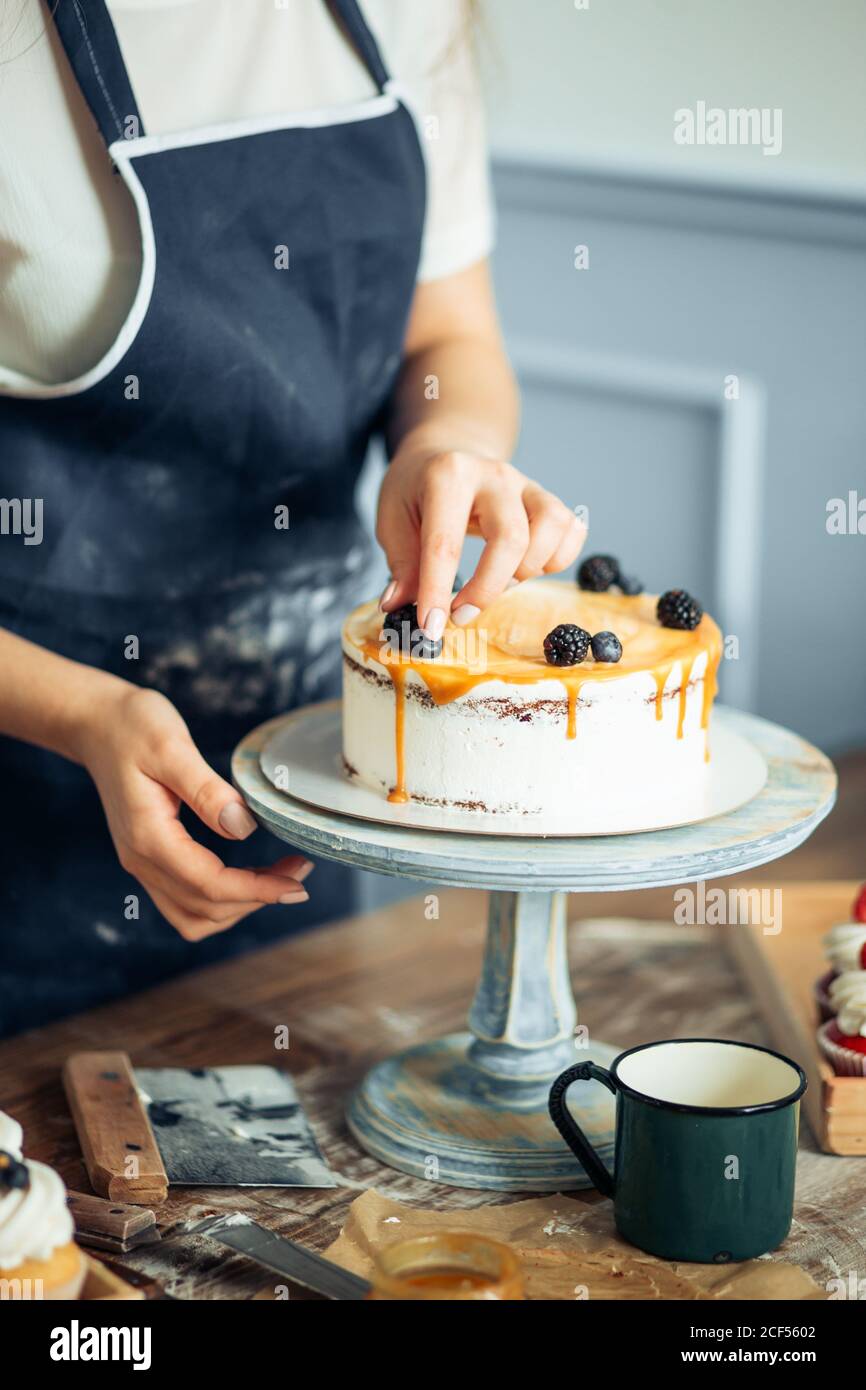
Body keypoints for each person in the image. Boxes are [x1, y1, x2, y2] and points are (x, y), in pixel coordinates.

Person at [0, 0, 584, 1039]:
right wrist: (80, 715)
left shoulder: (408, 13)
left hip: (299, 810)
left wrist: (438, 447)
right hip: (23, 813)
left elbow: (446, 332)